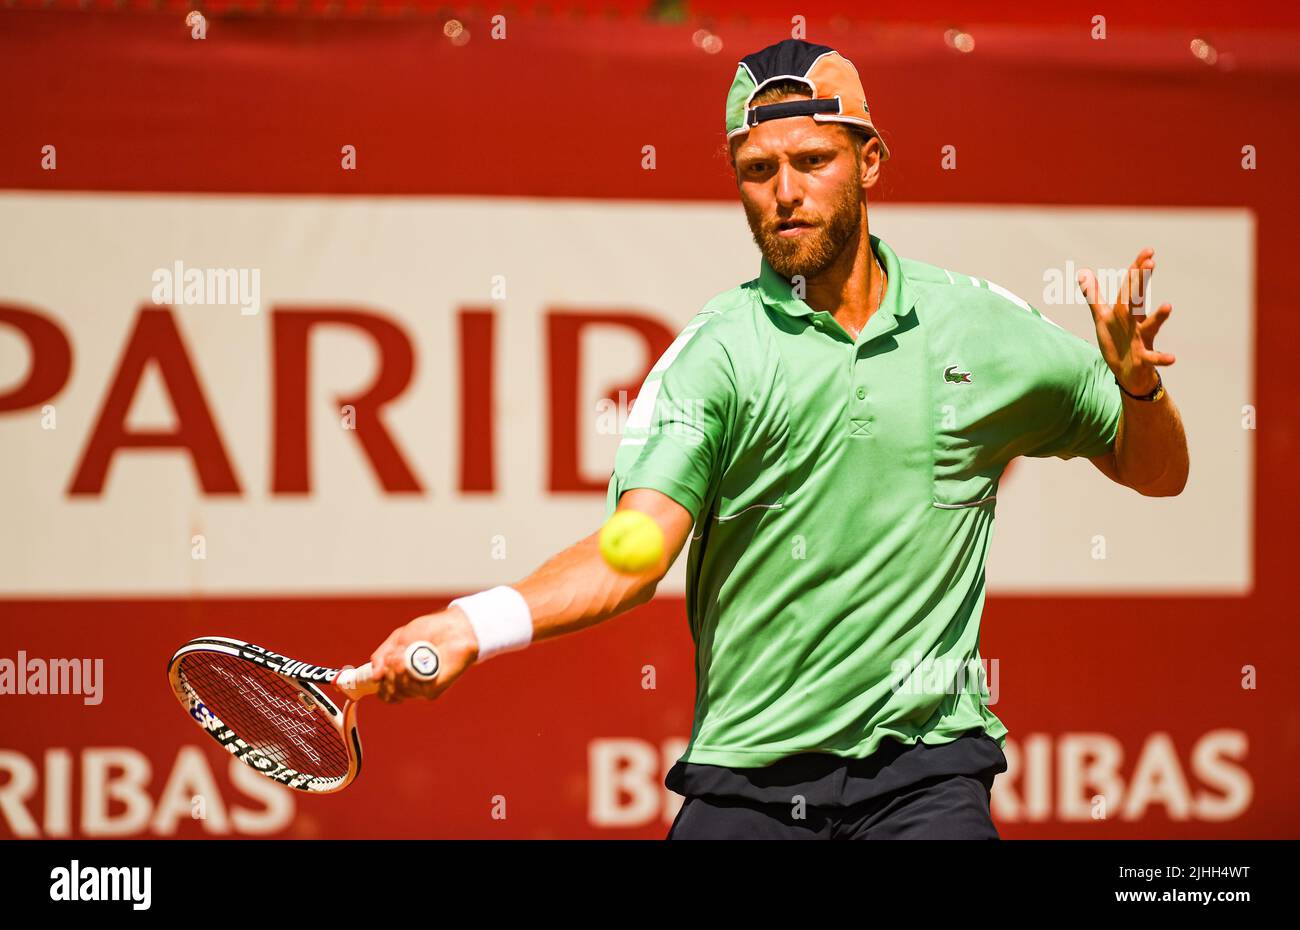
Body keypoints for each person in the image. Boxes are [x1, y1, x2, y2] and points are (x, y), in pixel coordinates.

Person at [365, 38, 1189, 839]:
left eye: (812, 161)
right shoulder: (716, 356)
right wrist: (474, 622)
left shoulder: (980, 328)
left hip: (927, 771)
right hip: (748, 780)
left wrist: (1138, 386)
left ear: (870, 163)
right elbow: (633, 551)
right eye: (758, 171)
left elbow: (1158, 474)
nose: (785, 192)